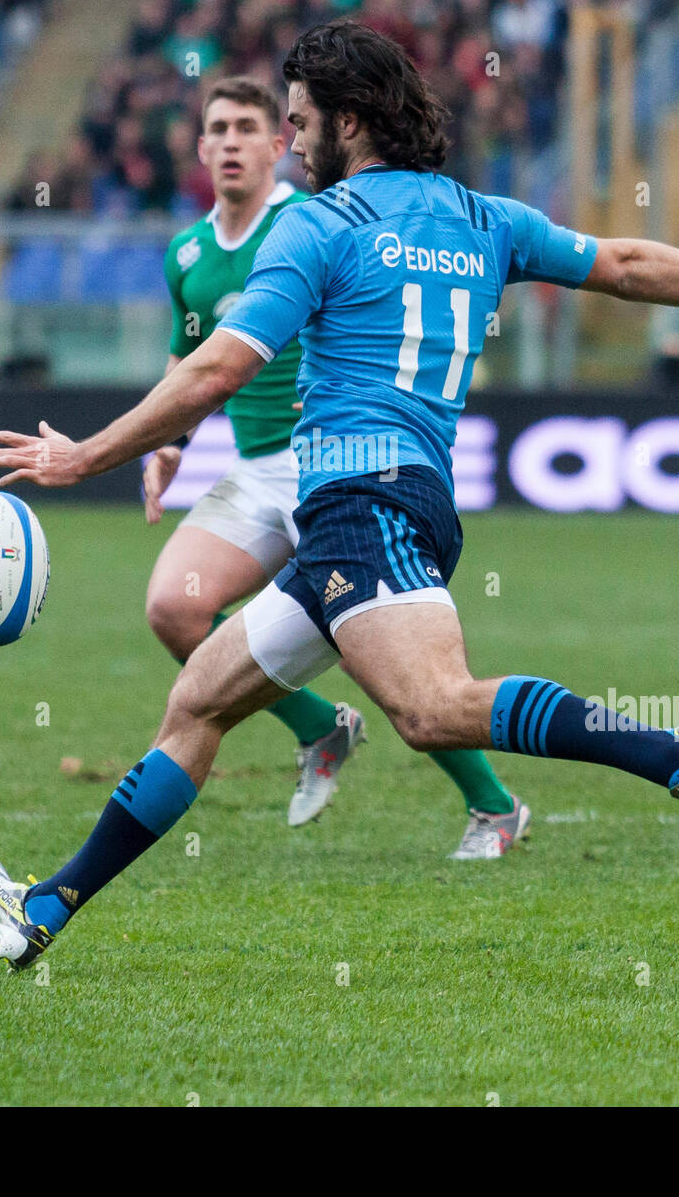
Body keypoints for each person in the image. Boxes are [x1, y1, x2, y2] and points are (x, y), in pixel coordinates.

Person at [0, 21, 679, 971]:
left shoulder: (316, 226)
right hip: (383, 502)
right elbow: (628, 267)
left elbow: (220, 366)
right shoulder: (483, 218)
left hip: (363, 499)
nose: (291, 143)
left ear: (349, 122)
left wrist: (87, 456)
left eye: (301, 123)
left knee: (431, 710)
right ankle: (47, 907)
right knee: (198, 705)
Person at [143, 75, 528, 854]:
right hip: (255, 470)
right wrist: (168, 442)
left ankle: (492, 805)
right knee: (173, 607)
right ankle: (322, 729)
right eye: (215, 129)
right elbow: (192, 357)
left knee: (382, 661)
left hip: (334, 463)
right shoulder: (186, 252)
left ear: (279, 143)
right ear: (199, 147)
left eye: (247, 128)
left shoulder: (316, 219)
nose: (229, 143)